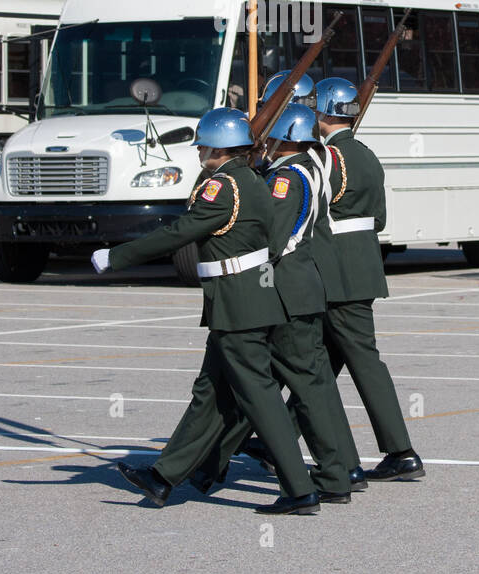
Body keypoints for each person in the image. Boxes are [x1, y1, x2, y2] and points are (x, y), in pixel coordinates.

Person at [91, 107, 321, 515]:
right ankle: (163, 478)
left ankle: (299, 490)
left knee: (258, 396)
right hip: (246, 298)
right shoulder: (251, 179)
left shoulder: (225, 186)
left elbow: (180, 232)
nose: (199, 152)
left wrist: (117, 257)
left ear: (216, 147)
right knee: (210, 394)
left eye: (203, 145)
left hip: (239, 302)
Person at [191, 102, 362, 503]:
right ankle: (208, 466)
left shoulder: (286, 178)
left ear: (283, 137)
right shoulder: (310, 167)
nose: (263, 143)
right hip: (297, 287)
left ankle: (326, 476)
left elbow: (274, 239)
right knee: (289, 386)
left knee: (271, 386)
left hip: (281, 290)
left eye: (270, 137)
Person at [310, 77, 426, 483]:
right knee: (319, 362)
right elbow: (378, 218)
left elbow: (310, 215)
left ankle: (400, 451)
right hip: (362, 264)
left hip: (335, 271)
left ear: (322, 112)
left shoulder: (327, 158)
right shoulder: (366, 155)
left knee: (361, 361)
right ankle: (289, 436)